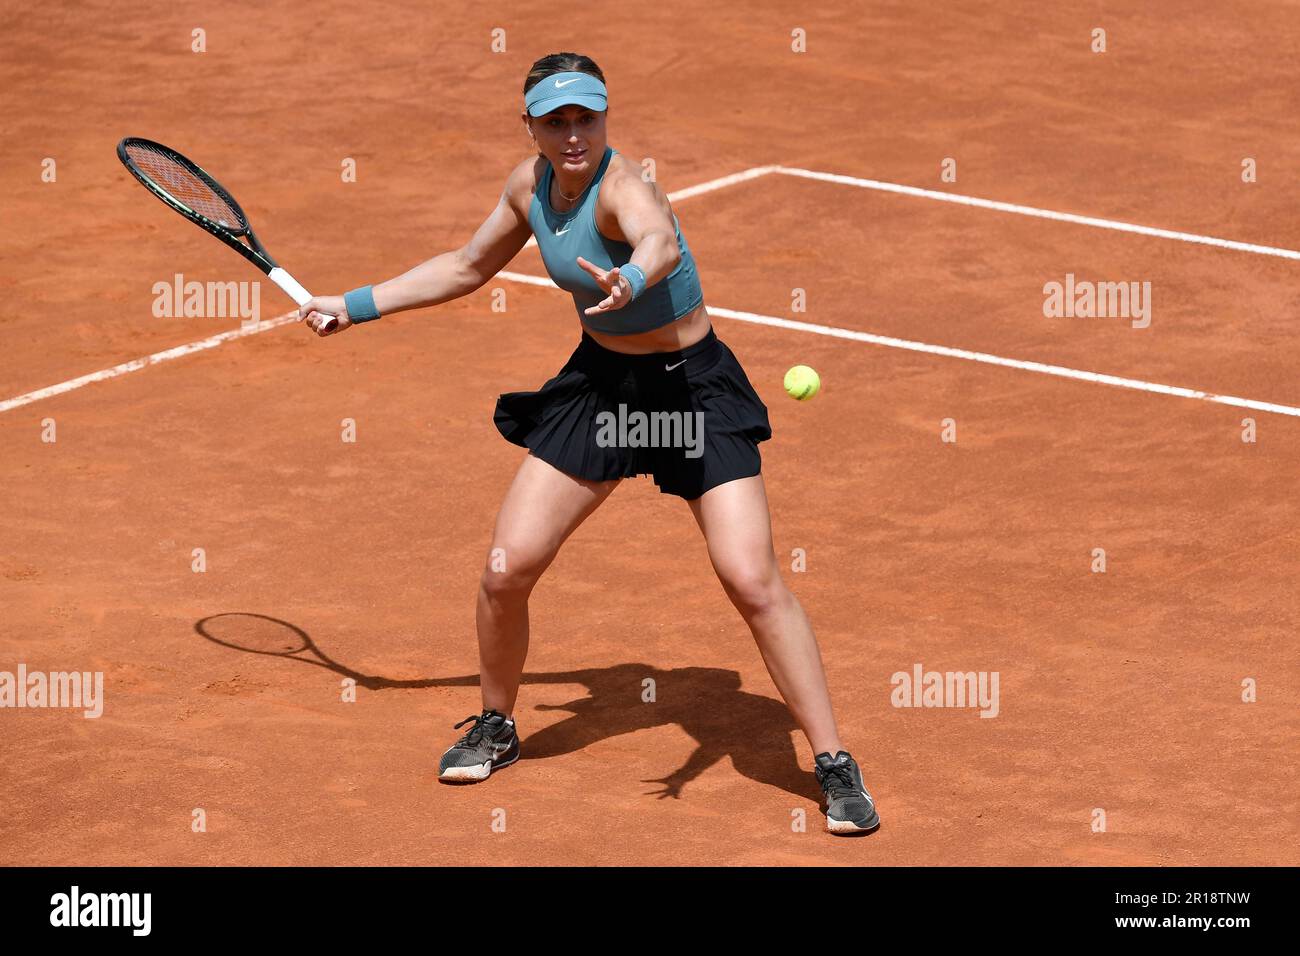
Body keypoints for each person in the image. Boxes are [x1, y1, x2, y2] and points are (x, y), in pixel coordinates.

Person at [298, 52, 879, 834]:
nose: (574, 133)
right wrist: (354, 305)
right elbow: (468, 266)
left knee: (751, 579)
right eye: (555, 120)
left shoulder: (623, 187)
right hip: (605, 390)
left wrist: (633, 281)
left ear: (605, 117)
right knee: (507, 571)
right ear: (531, 126)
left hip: (690, 392)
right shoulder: (526, 185)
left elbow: (658, 243)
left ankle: (835, 762)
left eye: (587, 117)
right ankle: (496, 725)